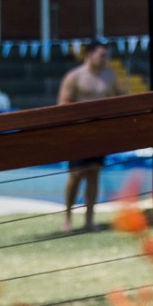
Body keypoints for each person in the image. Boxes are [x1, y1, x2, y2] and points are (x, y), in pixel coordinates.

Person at [59, 40, 123, 230]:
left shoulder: (109, 77)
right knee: (75, 175)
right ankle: (67, 218)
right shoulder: (74, 77)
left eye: (107, 56)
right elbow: (62, 105)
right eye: (101, 55)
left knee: (94, 173)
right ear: (89, 55)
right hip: (78, 133)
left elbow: (120, 99)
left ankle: (89, 220)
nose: (105, 59)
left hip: (99, 133)